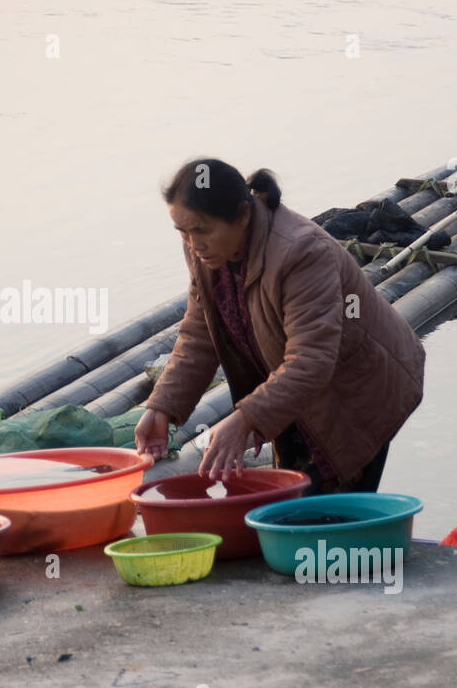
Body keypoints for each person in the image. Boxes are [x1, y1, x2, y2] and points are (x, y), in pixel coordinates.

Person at [133, 158, 425, 495]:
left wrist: (245, 420)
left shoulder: (301, 252)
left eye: (201, 230)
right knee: (290, 511)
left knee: (328, 520)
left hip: (357, 392)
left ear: (242, 216)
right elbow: (200, 333)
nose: (193, 243)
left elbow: (311, 360)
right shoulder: (205, 252)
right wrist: (162, 406)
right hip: (294, 393)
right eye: (182, 231)